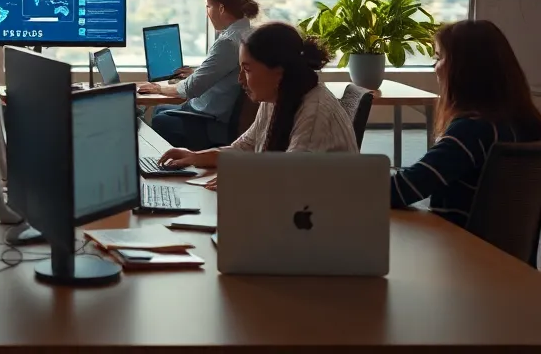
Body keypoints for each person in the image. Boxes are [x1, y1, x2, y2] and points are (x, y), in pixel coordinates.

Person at [158, 22, 358, 181]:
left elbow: (291, 179)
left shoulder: (314, 113)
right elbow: (244, 148)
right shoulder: (276, 98)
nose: (240, 80)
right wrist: (194, 156)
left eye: (247, 69)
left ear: (278, 72)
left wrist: (242, 179)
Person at [391, 19, 541, 228]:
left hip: (463, 253)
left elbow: (401, 190)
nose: (436, 67)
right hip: (505, 258)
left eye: (439, 57)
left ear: (464, 70)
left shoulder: (471, 132)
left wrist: (350, 179)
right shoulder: (526, 123)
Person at [137, 0, 259, 150]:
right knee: (160, 110)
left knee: (160, 119)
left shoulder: (228, 42)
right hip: (220, 115)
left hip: (212, 122)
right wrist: (197, 73)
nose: (207, 13)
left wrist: (158, 88)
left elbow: (191, 89)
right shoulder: (248, 33)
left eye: (209, 7)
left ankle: (171, 169)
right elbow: (222, 72)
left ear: (222, 8)